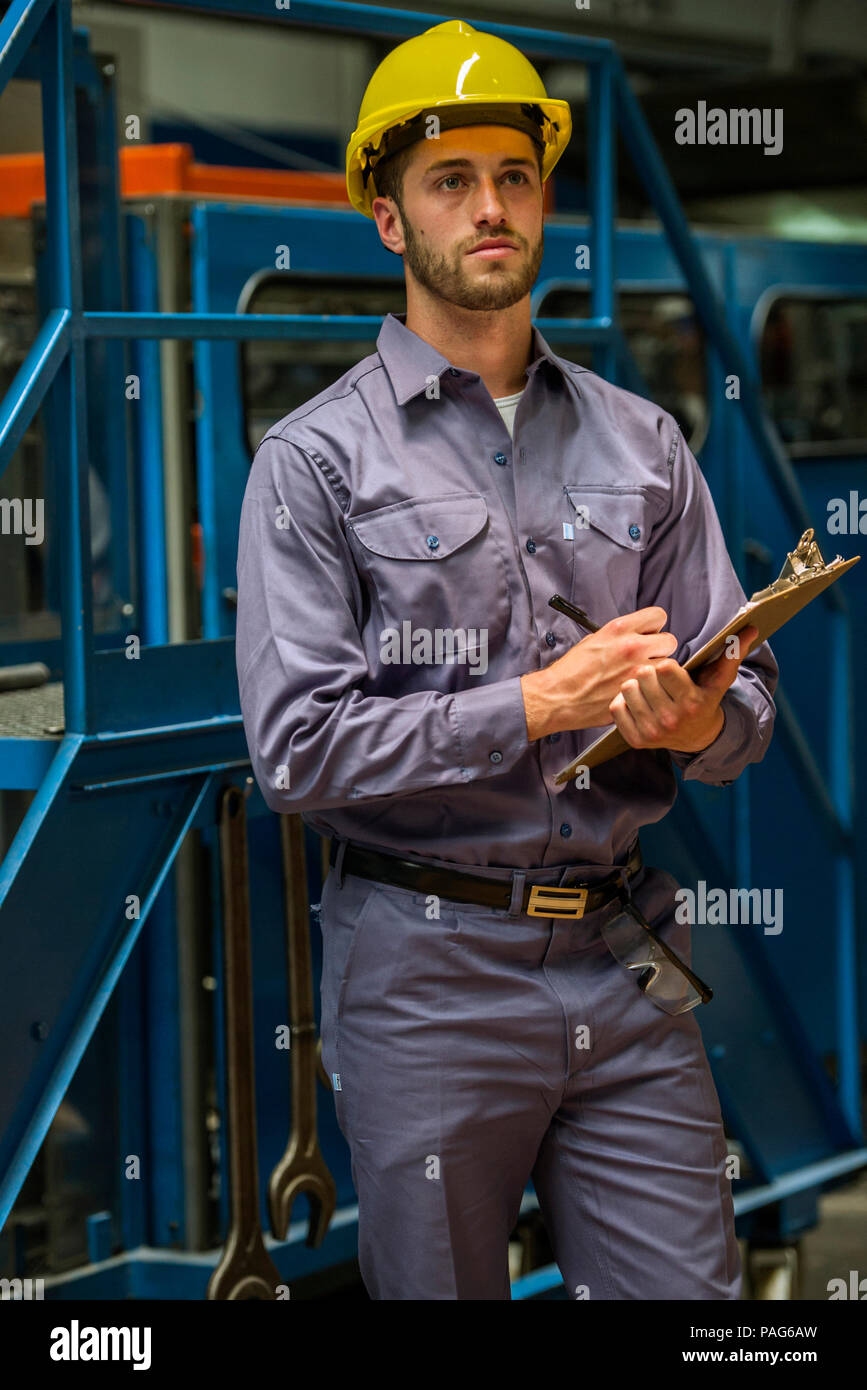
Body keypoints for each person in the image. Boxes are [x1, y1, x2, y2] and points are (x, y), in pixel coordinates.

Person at [235, 19, 778, 1300]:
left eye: (515, 177)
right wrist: (544, 701)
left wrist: (692, 722)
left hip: (622, 952)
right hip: (427, 975)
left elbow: (746, 696)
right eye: (451, 181)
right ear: (388, 217)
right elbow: (297, 750)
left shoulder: (646, 443)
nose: (491, 207)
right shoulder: (313, 466)